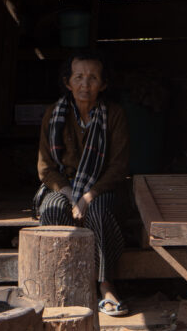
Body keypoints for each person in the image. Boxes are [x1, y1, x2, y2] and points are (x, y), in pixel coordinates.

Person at [34, 49, 132, 316]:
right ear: (68, 82)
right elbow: (46, 168)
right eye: (78, 77)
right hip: (63, 186)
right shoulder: (54, 114)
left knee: (99, 213)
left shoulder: (114, 115)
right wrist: (69, 194)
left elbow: (119, 167)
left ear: (103, 84)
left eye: (92, 78)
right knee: (53, 210)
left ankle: (105, 285)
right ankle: (64, 283)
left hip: (101, 187)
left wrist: (88, 197)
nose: (84, 85)